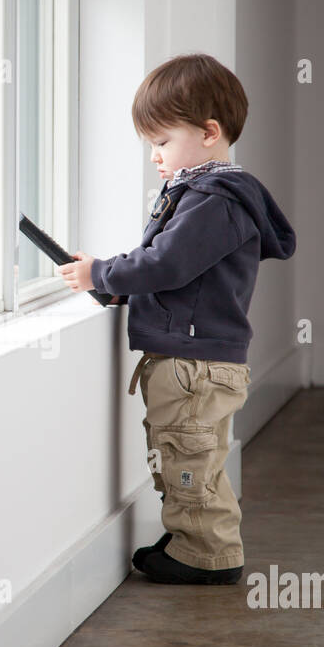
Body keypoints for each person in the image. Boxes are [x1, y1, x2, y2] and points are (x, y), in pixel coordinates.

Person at [59, 52, 296, 585]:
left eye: (162, 143)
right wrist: (121, 288)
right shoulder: (203, 196)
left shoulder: (214, 201)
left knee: (187, 457)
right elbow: (184, 278)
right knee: (190, 454)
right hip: (197, 361)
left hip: (193, 365)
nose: (154, 157)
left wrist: (103, 273)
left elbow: (167, 263)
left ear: (209, 132)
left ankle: (205, 554)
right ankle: (196, 537)